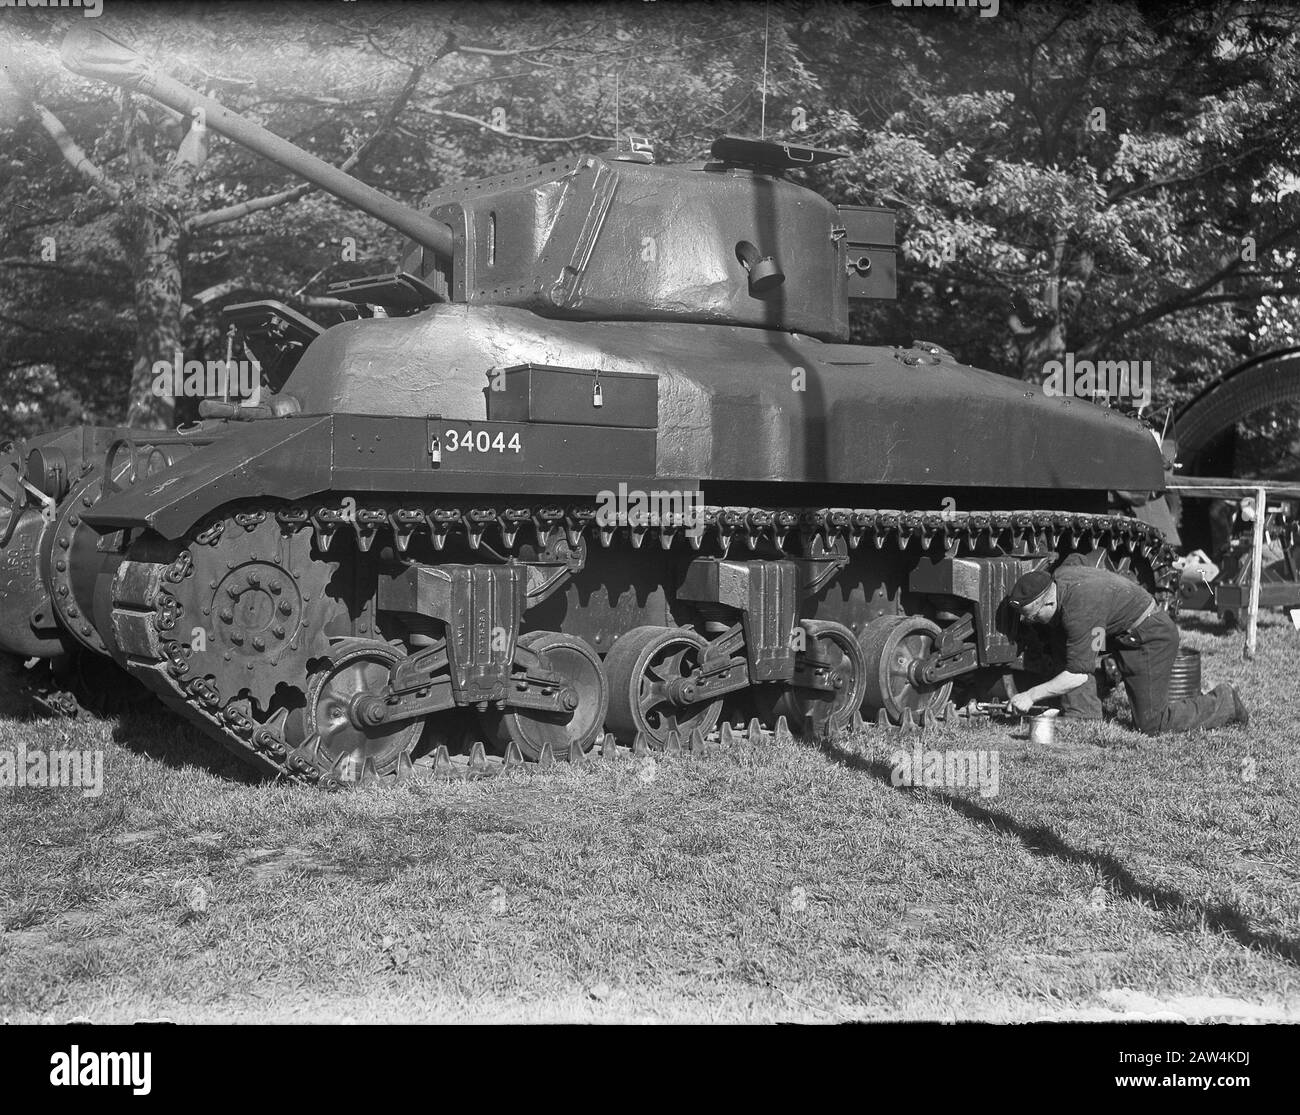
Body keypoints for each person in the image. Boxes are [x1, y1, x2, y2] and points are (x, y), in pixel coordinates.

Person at [1006, 565, 1249, 735]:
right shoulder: (1060, 580)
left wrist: (1031, 695)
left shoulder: (1080, 610)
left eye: (1033, 616)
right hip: (1120, 634)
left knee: (1152, 723)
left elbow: (1078, 674)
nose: (1031, 623)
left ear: (1049, 601)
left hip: (1149, 638)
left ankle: (1225, 701)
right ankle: (1084, 714)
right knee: (1068, 644)